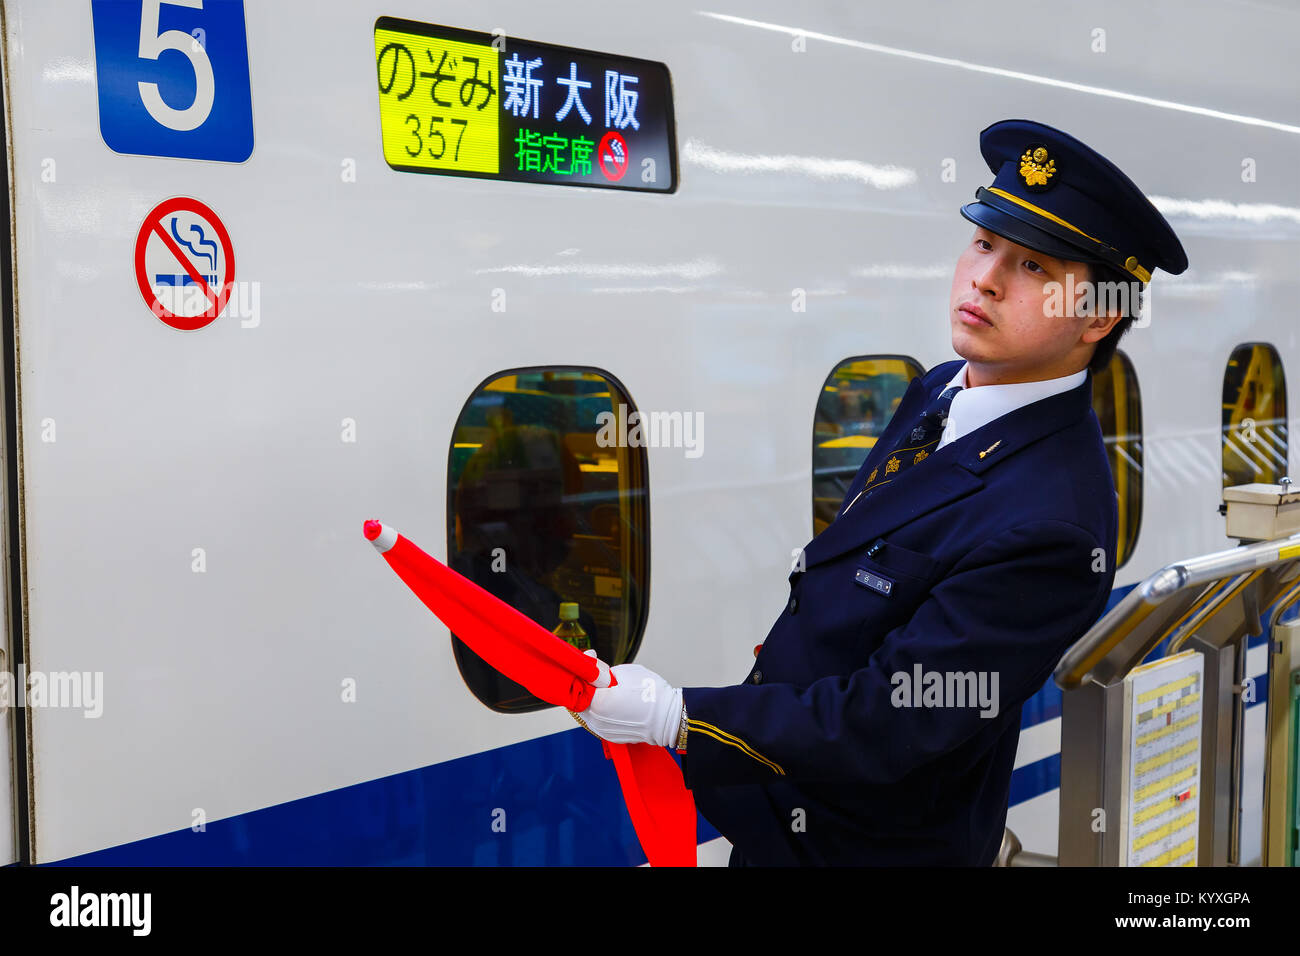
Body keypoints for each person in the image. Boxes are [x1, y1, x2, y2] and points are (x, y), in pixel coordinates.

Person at [575, 119, 1188, 865]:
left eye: (1034, 269)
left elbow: (891, 718)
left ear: (1099, 315)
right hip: (790, 817)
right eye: (986, 242)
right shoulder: (942, 390)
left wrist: (678, 718)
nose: (985, 278)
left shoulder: (1054, 522)